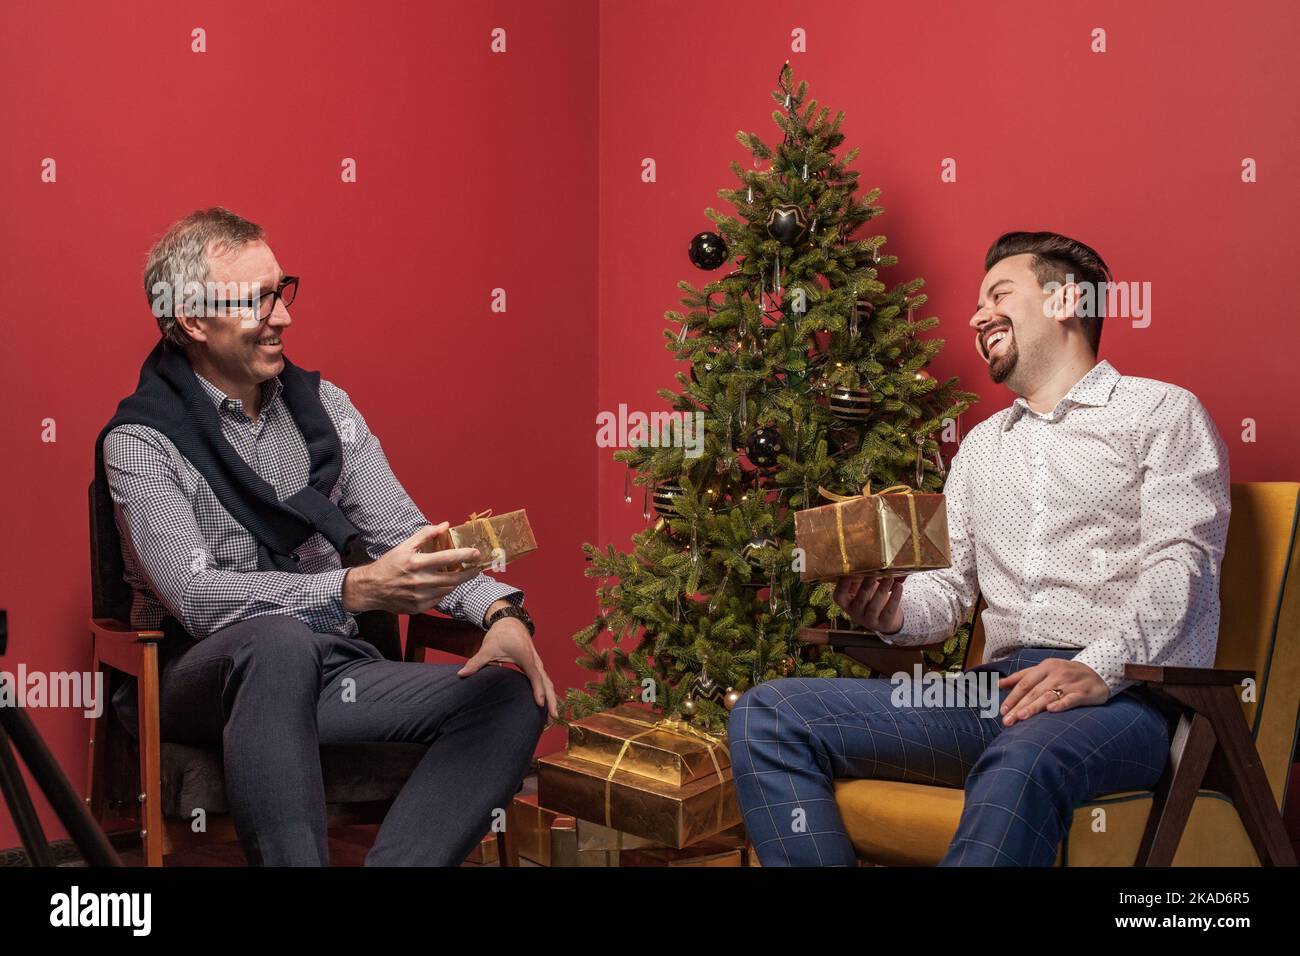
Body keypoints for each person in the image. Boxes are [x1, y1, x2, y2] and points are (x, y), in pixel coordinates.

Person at [729, 231, 1231, 866]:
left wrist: (1097, 666)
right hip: (984, 694)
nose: (976, 315)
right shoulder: (981, 447)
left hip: (1119, 698)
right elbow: (946, 591)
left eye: (1000, 292)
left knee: (1024, 755)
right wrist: (893, 614)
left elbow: (1180, 570)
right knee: (767, 715)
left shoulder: (1163, 414)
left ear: (1066, 300)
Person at [94, 207, 554, 866]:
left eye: (281, 292)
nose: (283, 317)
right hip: (204, 679)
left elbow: (403, 533)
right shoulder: (140, 442)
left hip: (332, 672)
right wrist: (352, 589)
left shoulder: (327, 409)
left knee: (511, 695)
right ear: (193, 320)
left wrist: (500, 611)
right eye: (257, 301)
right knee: (277, 643)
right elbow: (196, 598)